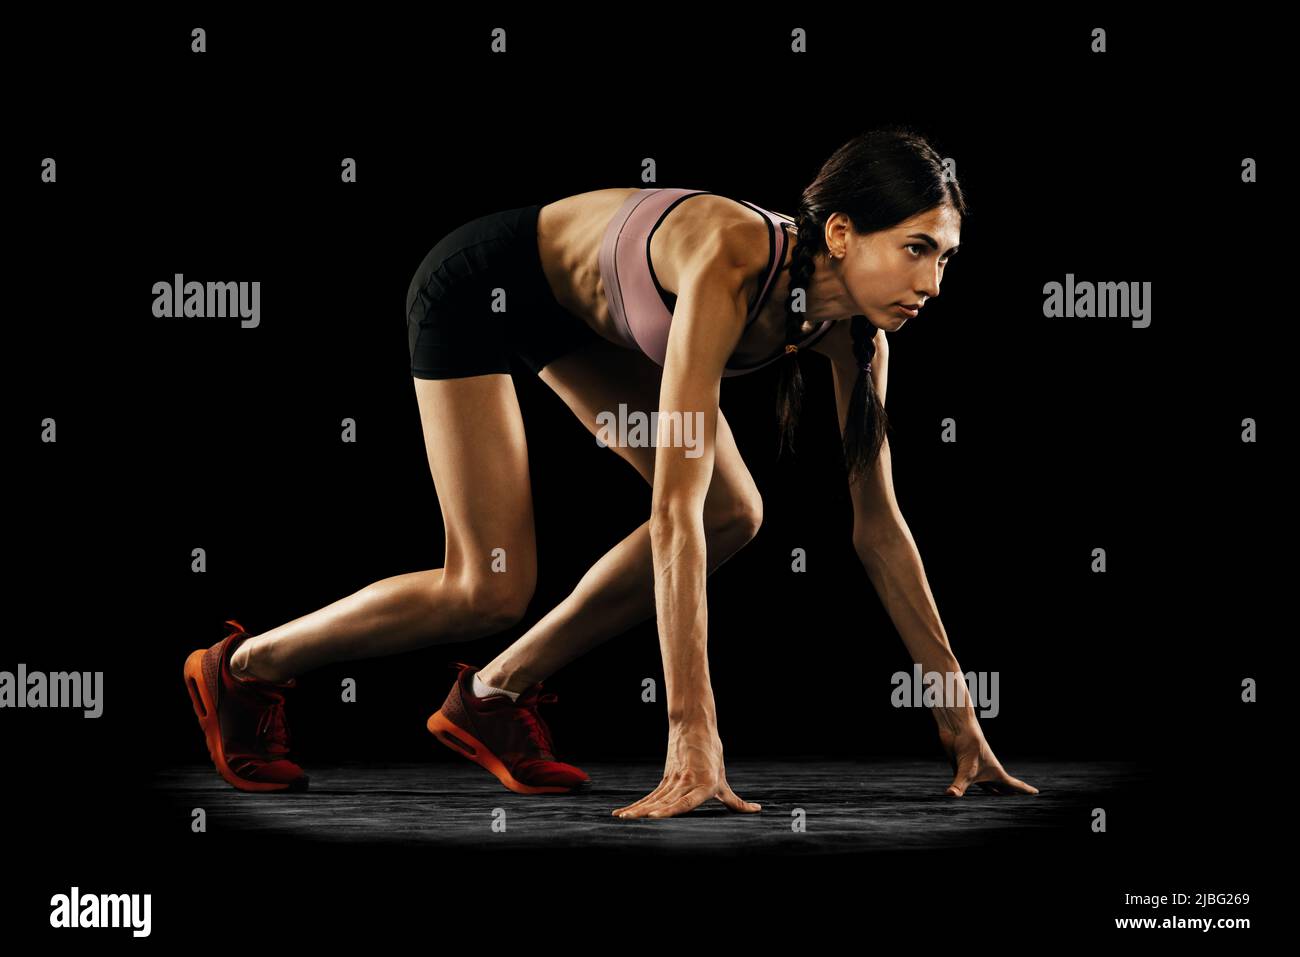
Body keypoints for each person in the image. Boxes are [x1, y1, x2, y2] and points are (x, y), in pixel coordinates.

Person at [183, 126, 1037, 819]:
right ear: (843, 232)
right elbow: (672, 513)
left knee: (736, 513)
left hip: (588, 322)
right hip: (485, 284)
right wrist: (693, 738)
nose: (932, 281)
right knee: (485, 587)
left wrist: (961, 718)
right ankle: (242, 667)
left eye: (948, 257)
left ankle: (490, 695)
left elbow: (880, 527)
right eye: (917, 248)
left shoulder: (860, 338)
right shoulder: (733, 258)